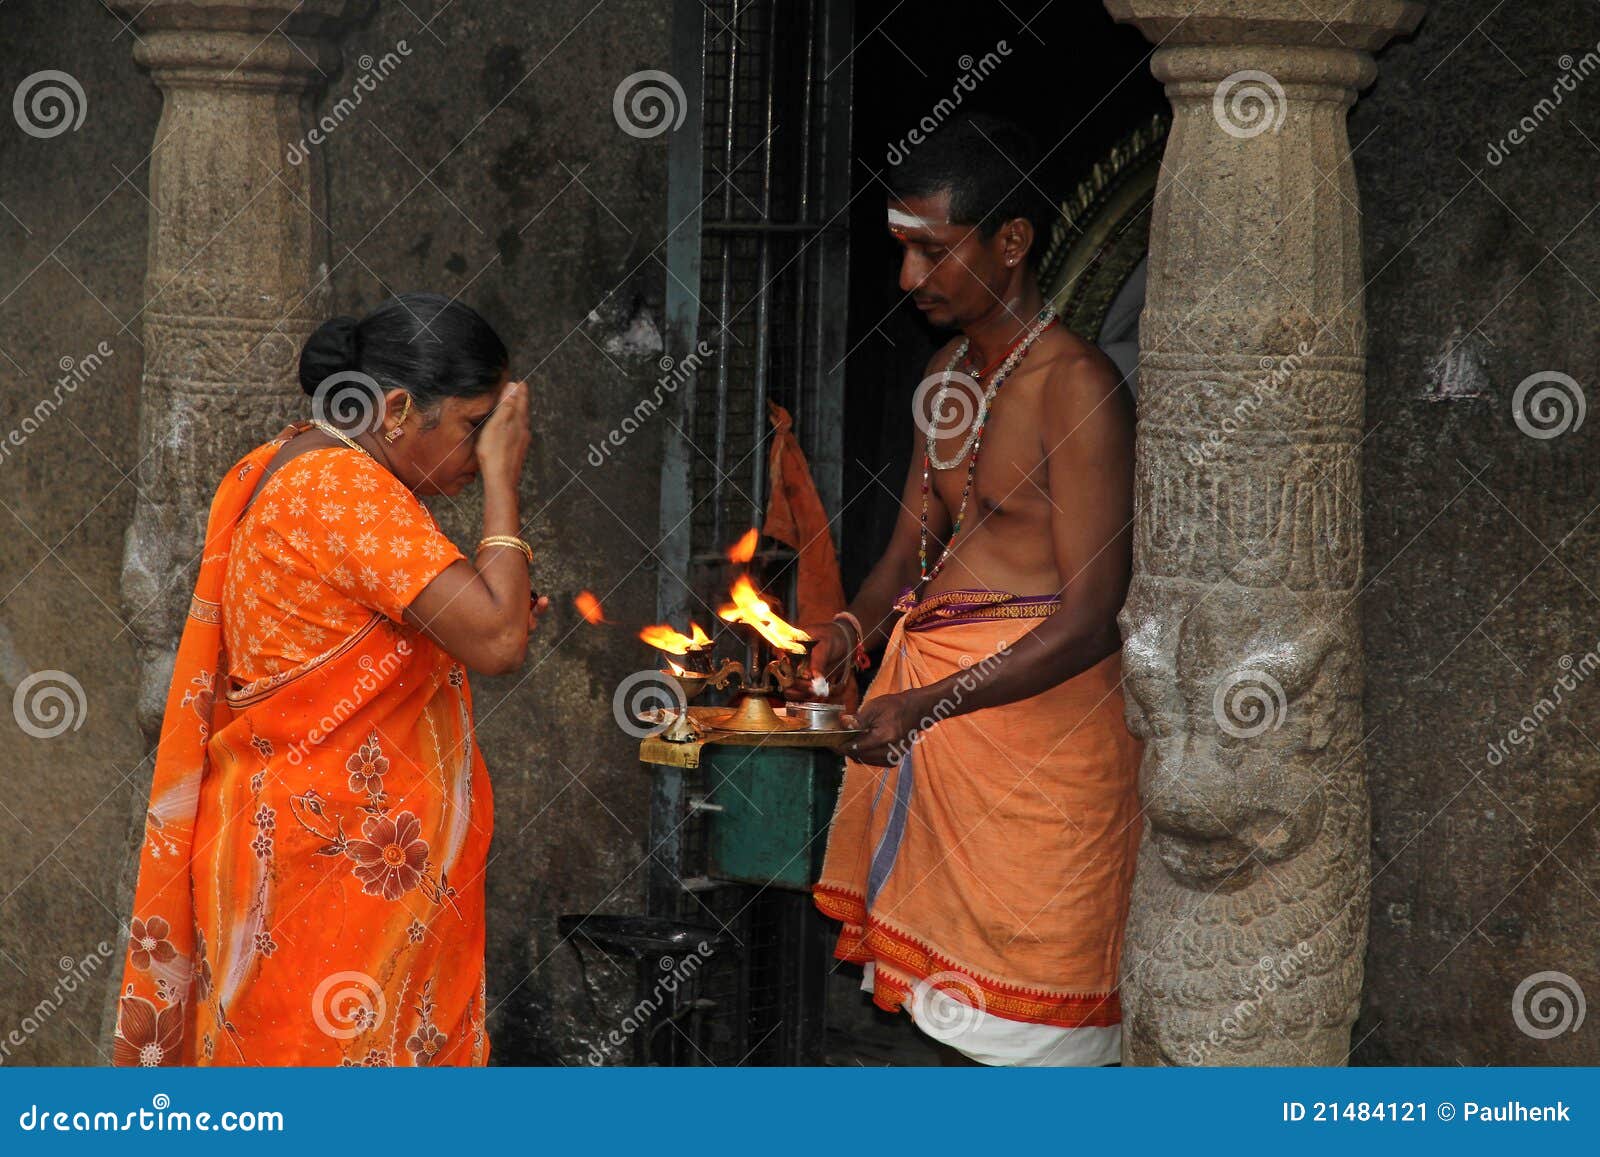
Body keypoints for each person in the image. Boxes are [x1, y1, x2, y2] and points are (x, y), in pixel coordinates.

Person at [113, 293, 548, 1066]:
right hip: (324, 877)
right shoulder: (343, 489)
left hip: (321, 863)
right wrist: (503, 484)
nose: (482, 449)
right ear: (398, 409)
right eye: (474, 426)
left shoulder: (310, 469)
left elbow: (463, 625)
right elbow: (498, 637)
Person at [807, 115, 1143, 1066]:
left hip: (1042, 763)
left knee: (1034, 1045)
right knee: (941, 1036)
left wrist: (929, 702)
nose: (908, 278)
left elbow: (1095, 617)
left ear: (1012, 240)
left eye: (933, 250)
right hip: (943, 745)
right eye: (901, 251)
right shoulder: (946, 374)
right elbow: (911, 551)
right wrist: (847, 631)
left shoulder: (1075, 386)